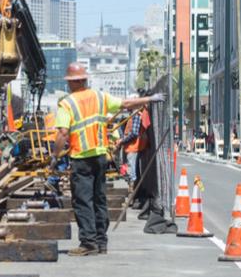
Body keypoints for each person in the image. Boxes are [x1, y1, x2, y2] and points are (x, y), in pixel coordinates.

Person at [54, 63, 161, 256]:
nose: (69, 85)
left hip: (81, 158)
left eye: (70, 81)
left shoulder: (67, 103)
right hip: (100, 157)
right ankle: (101, 242)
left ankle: (88, 243)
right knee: (99, 199)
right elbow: (126, 104)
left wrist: (55, 156)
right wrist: (150, 99)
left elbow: (62, 133)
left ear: (75, 81)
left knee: (83, 201)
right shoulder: (100, 97)